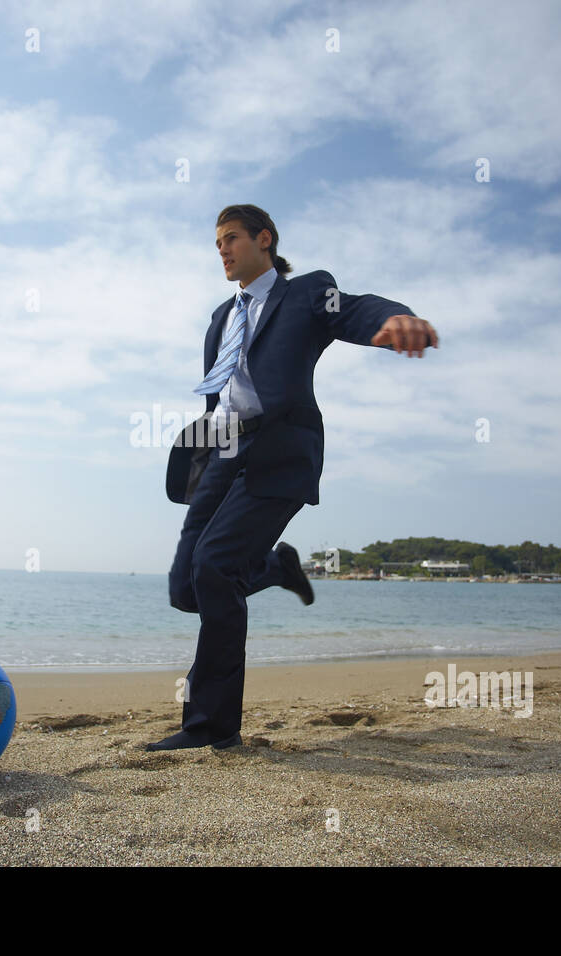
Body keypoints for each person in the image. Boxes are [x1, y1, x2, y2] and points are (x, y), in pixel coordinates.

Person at [153, 204, 438, 751]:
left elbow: (356, 308)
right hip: (223, 453)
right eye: (217, 242)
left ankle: (210, 727)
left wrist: (394, 319)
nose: (222, 249)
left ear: (264, 240)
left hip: (279, 450)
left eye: (231, 238)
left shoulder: (306, 292)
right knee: (187, 587)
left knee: (215, 566)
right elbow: (221, 396)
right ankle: (278, 567)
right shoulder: (220, 317)